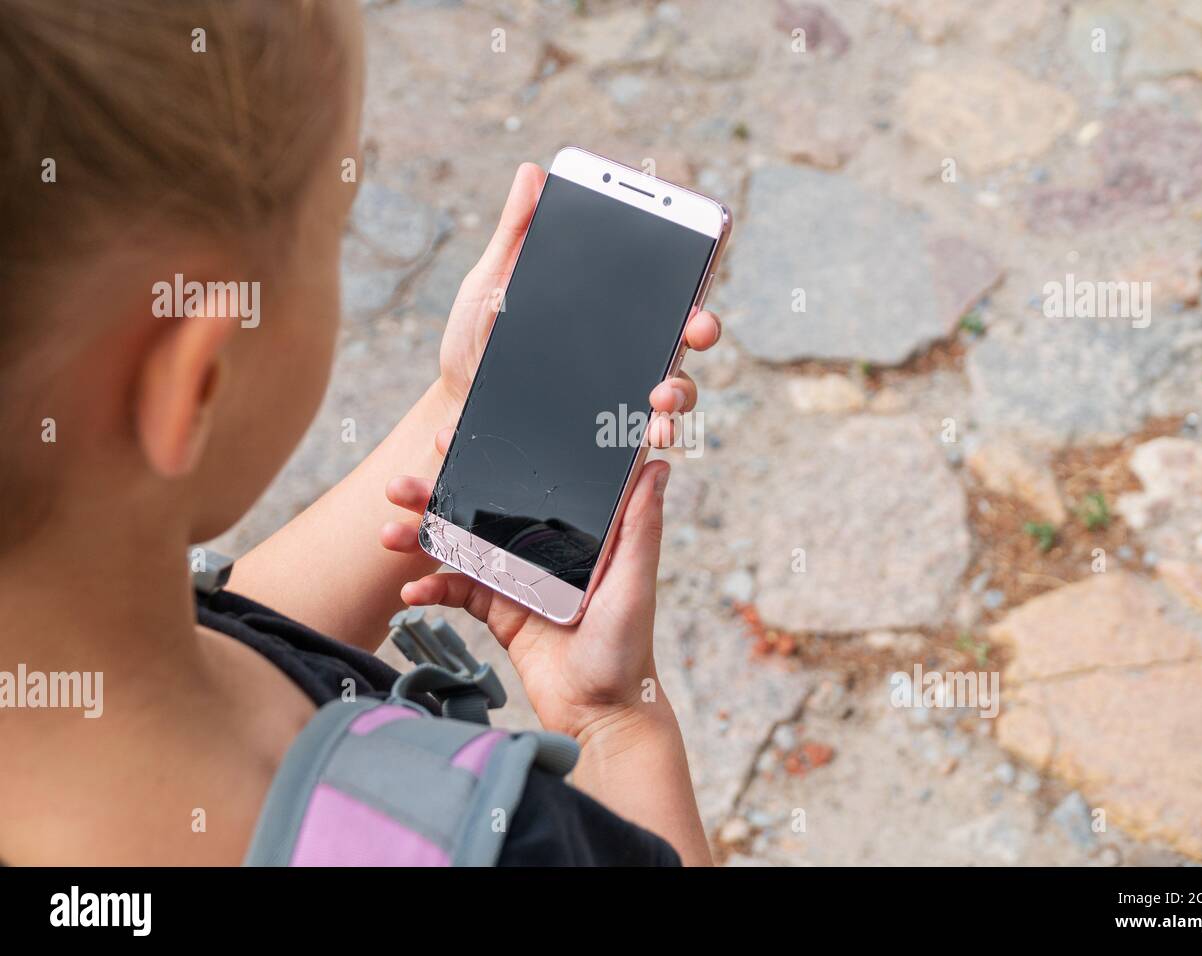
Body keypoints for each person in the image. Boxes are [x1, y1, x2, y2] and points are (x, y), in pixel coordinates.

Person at [0, 0, 722, 866]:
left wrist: (458, 413)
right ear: (197, 377)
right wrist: (616, 722)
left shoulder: (85, 646)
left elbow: (234, 637)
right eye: (332, 230)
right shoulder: (505, 843)